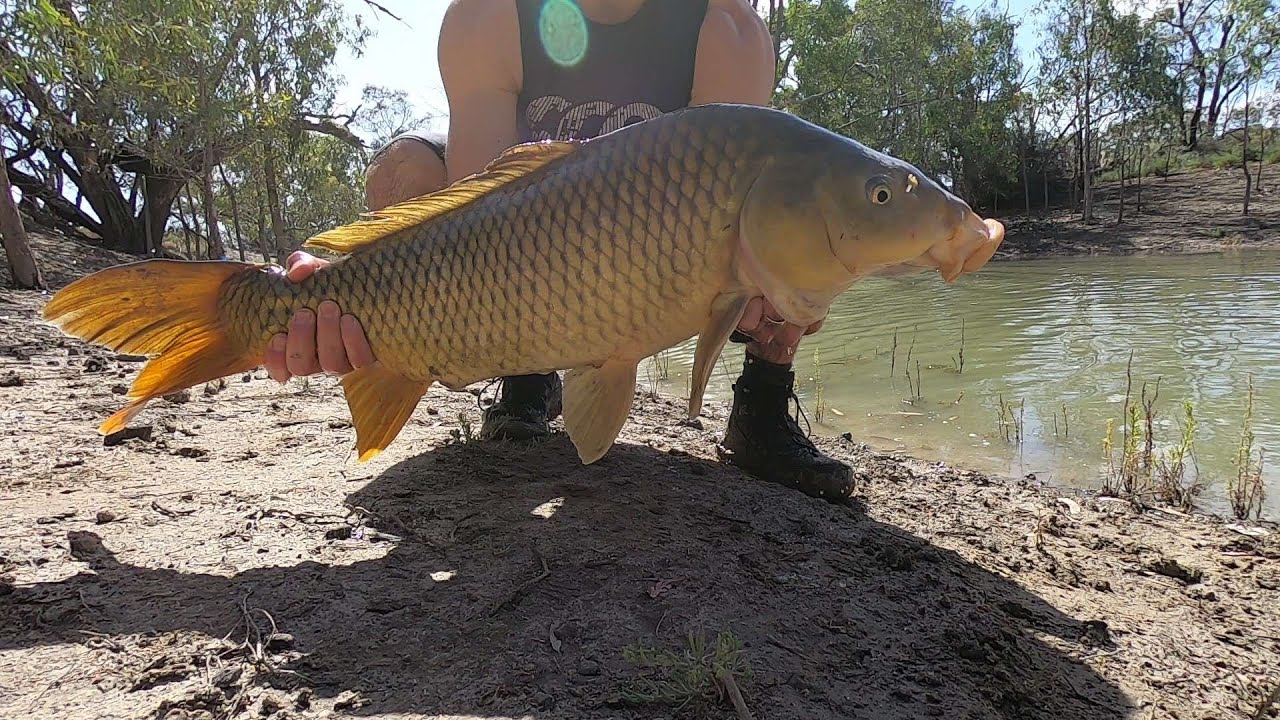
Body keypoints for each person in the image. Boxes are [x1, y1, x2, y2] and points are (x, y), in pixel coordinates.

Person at [262, 0, 854, 501]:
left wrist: (766, 286)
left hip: (657, 243)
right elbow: (478, 235)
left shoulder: (726, 30)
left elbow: (731, 202)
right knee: (405, 173)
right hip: (528, 225)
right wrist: (380, 308)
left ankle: (762, 408)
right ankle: (526, 378)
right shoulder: (487, 17)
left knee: (798, 208)